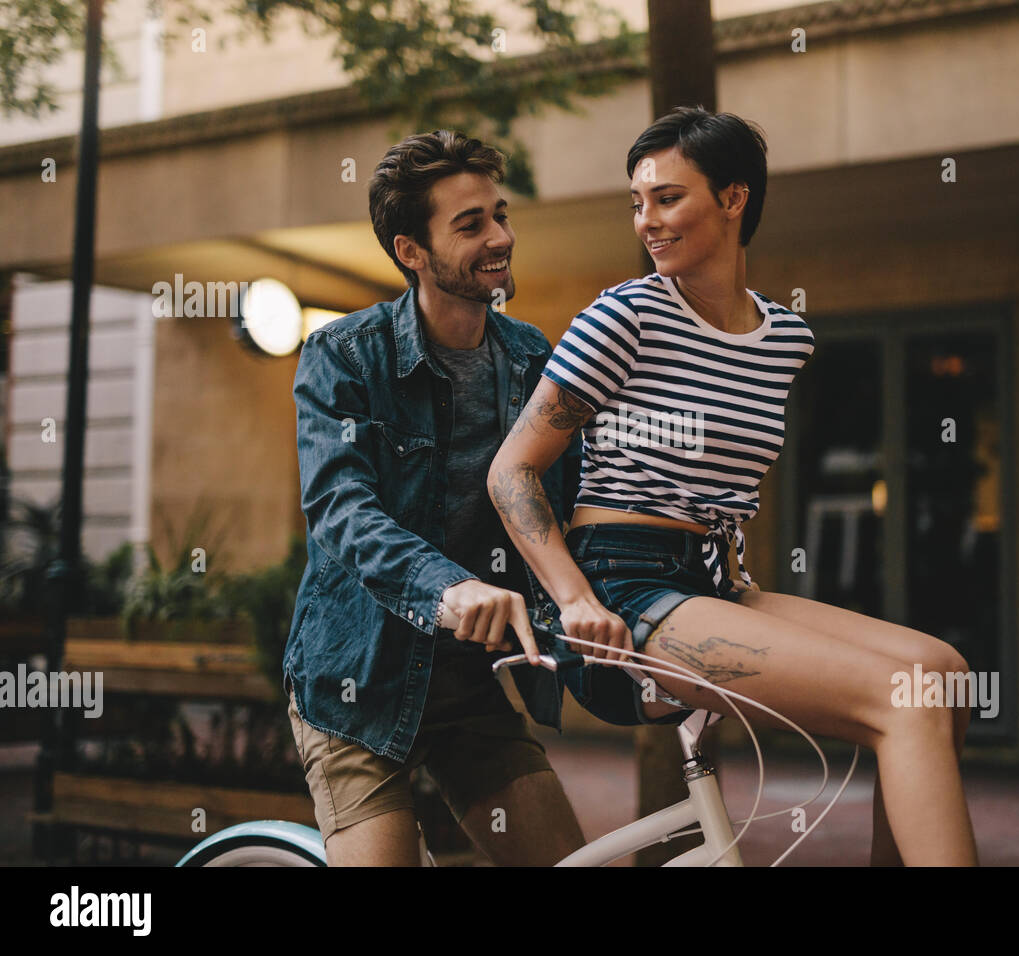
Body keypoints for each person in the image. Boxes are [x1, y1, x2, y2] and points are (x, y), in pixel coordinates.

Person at [488, 107, 979, 866]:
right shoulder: (626, 317)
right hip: (620, 595)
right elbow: (512, 469)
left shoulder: (786, 339)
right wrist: (576, 600)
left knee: (942, 677)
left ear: (734, 198)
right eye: (637, 202)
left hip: (716, 581)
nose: (647, 220)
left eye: (668, 198)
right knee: (903, 700)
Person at [283, 130, 586, 866]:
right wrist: (450, 589)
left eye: (500, 215)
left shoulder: (531, 359)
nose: (500, 238)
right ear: (410, 251)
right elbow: (342, 510)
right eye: (471, 224)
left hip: (473, 694)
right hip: (356, 686)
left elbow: (569, 507)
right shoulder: (343, 357)